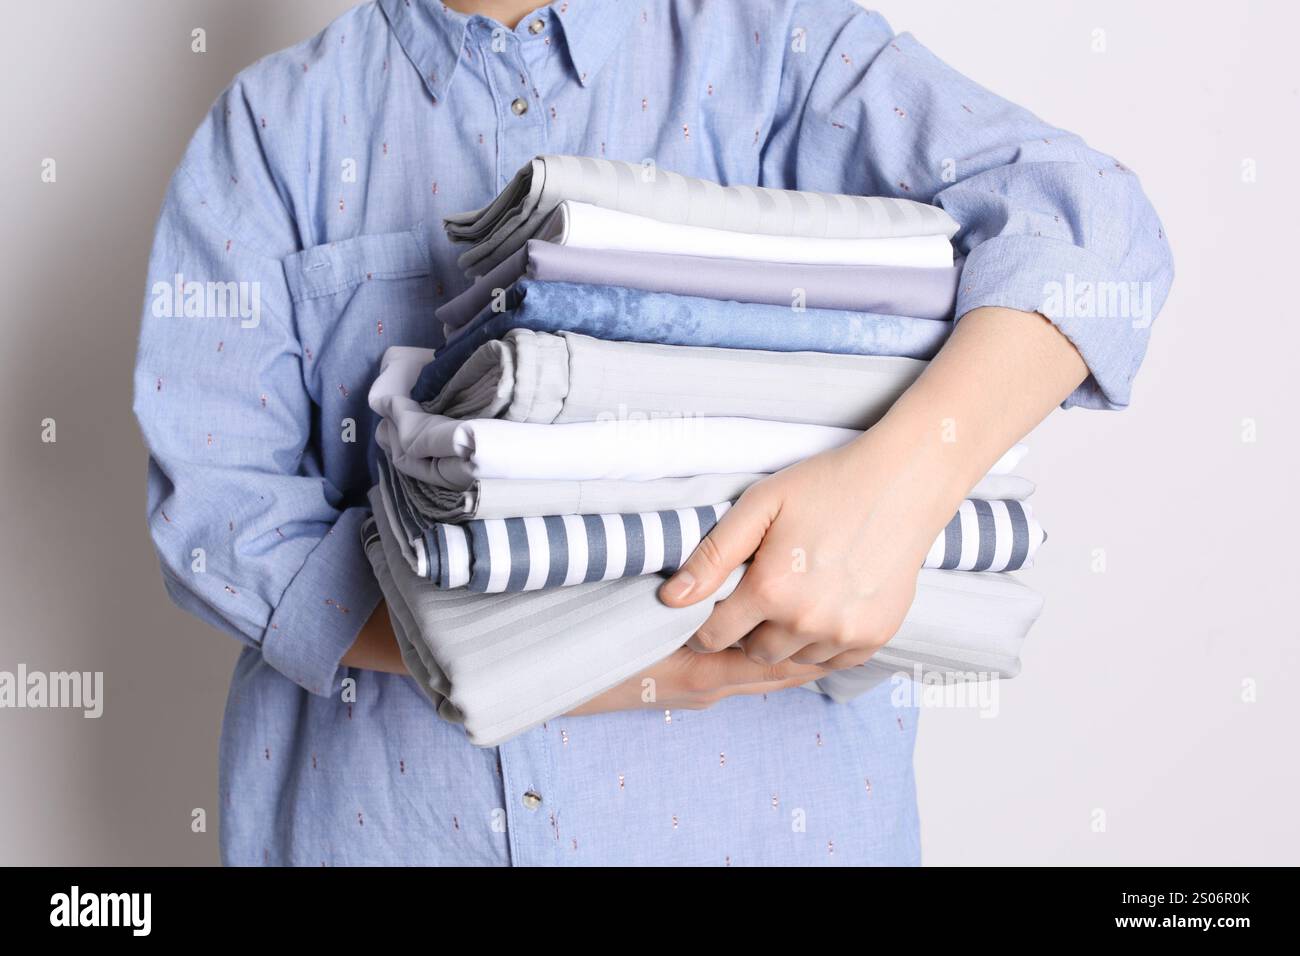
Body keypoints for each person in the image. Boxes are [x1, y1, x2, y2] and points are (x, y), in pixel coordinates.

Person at [133, 0, 1172, 865]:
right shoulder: (270, 130)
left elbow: (1092, 224)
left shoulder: (783, 54)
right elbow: (220, 515)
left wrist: (895, 490)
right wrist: (579, 661)